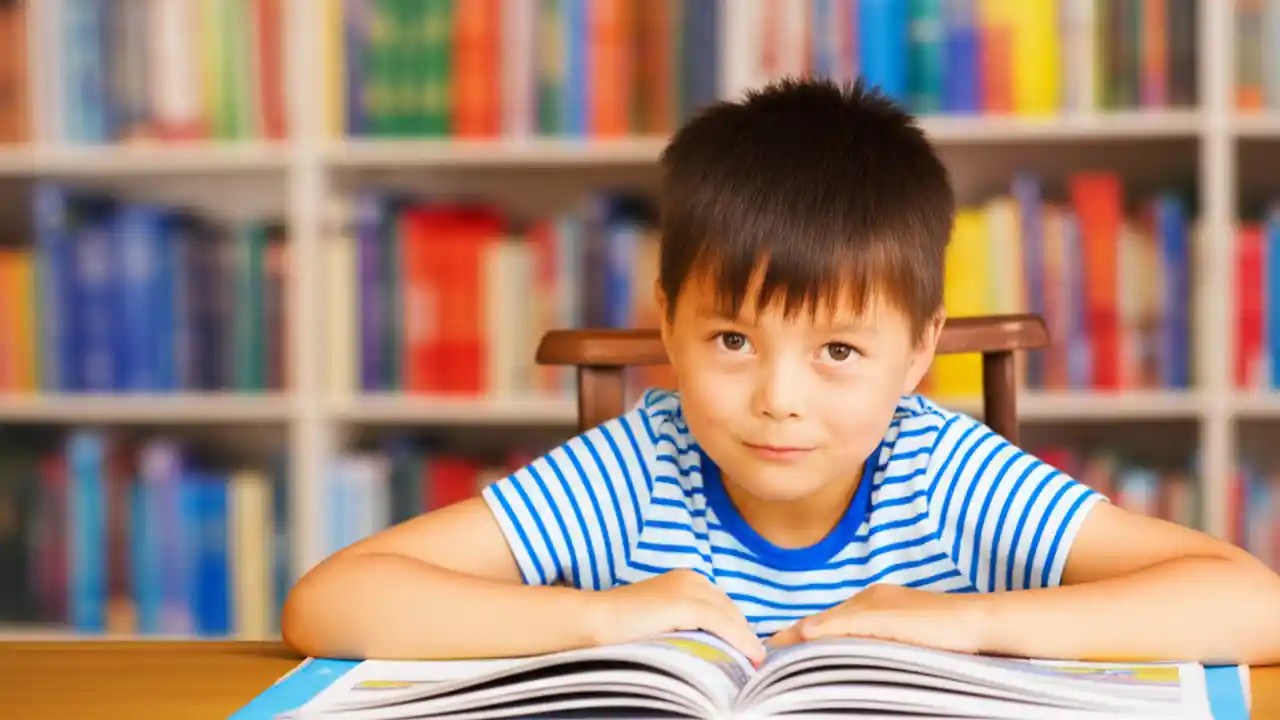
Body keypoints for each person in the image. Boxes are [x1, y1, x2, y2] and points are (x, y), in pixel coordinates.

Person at [281, 78, 1280, 666]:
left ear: (917, 353)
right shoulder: (633, 470)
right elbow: (330, 602)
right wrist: (594, 615)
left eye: (838, 351)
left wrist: (965, 621)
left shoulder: (938, 471)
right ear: (668, 326)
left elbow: (1253, 605)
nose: (778, 397)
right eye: (731, 341)